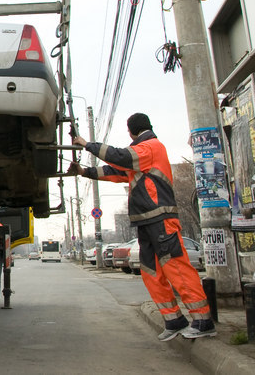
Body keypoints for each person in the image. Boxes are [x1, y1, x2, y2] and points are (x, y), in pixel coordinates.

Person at [69, 113, 215, 340]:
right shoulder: (143, 155)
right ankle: (174, 320)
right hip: (147, 221)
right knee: (152, 273)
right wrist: (84, 171)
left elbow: (120, 157)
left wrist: (87, 144)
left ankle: (203, 321)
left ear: (131, 131)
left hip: (160, 219)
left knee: (176, 268)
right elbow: (115, 171)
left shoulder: (150, 147)